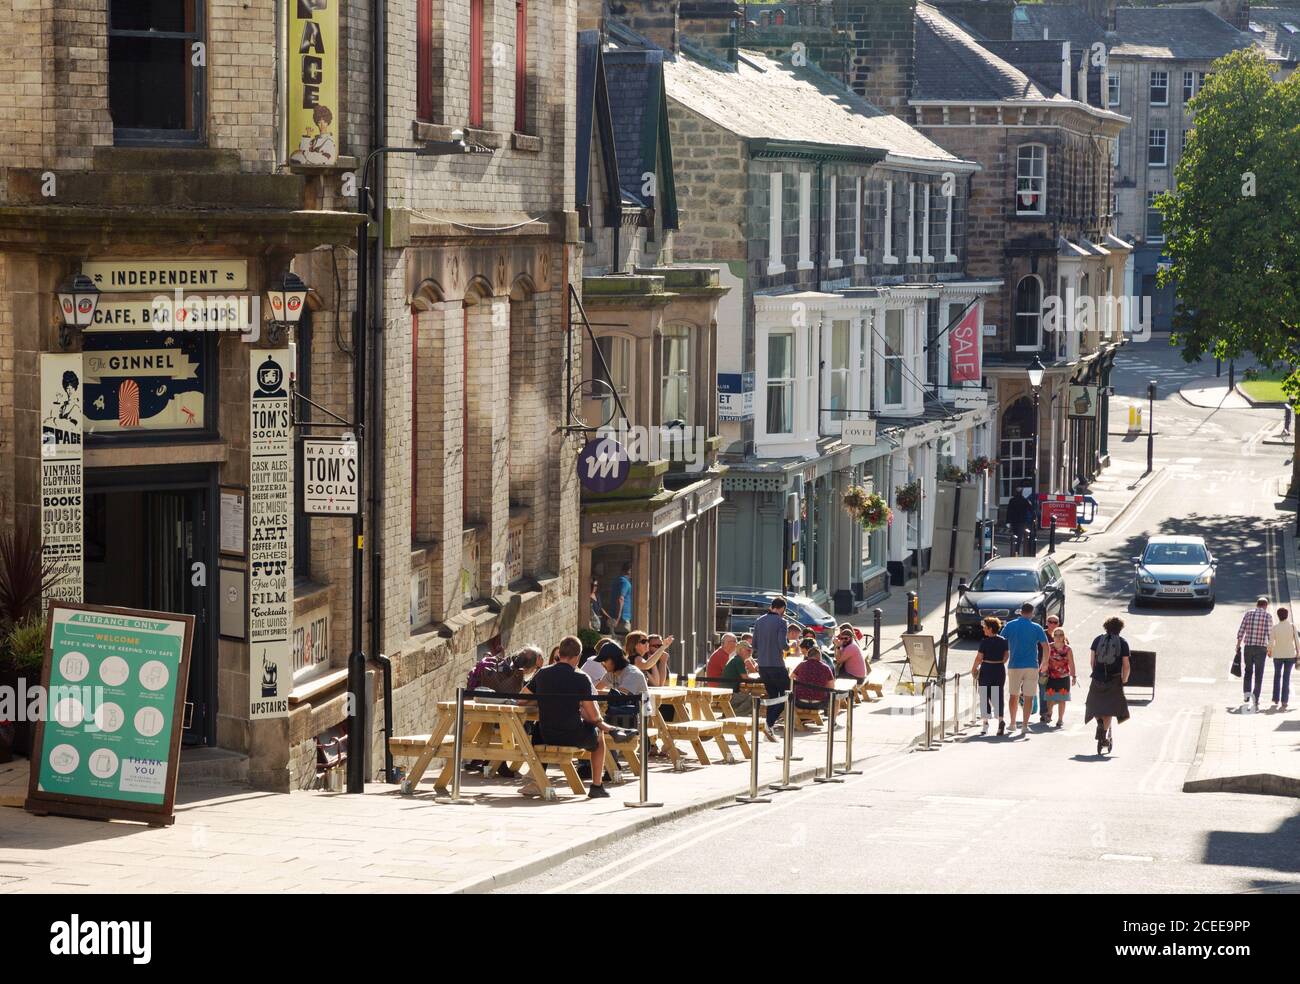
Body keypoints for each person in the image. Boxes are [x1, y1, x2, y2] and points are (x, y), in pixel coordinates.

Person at [521, 635, 632, 799]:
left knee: (537, 728)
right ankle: (596, 786)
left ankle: (539, 779)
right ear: (578, 656)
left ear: (560, 652)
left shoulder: (542, 673)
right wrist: (606, 727)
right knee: (599, 736)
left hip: (547, 733)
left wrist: (543, 701)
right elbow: (594, 717)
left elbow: (521, 699)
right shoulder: (581, 678)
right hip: (572, 734)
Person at [1001, 601, 1049, 737]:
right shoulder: (1037, 627)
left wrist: (1003, 659)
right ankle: (1025, 725)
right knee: (1029, 696)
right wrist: (1044, 662)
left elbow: (1002, 641)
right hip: (1031, 665)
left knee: (1013, 695)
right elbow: (1046, 646)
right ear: (1032, 613)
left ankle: (1012, 723)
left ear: (1020, 612)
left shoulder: (1010, 625)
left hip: (1014, 665)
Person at [1085, 616, 1130, 753]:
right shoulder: (1122, 643)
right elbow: (1126, 665)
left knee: (1095, 706)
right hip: (1114, 678)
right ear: (1120, 628)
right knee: (1109, 710)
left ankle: (1099, 722)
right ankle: (1104, 734)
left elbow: (1092, 662)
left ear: (1105, 626)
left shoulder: (1098, 640)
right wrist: (1124, 679)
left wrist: (1097, 674)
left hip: (1098, 678)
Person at [752, 596, 792, 740]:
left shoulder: (759, 621)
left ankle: (768, 729)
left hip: (763, 666)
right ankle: (768, 724)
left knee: (773, 697)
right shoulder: (782, 622)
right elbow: (783, 644)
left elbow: (754, 645)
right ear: (782, 609)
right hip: (776, 665)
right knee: (787, 695)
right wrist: (790, 645)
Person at [594, 641, 647, 729]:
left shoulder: (632, 673)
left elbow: (619, 696)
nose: (602, 664)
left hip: (639, 718)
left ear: (614, 660)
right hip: (623, 715)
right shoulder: (611, 673)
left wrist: (598, 693)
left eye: (604, 661)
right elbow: (595, 690)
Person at [970, 616, 1008, 735]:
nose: (984, 630)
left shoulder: (984, 642)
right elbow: (1006, 656)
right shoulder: (1003, 640)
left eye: (985, 628)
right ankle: (1000, 720)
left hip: (987, 668)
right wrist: (999, 662)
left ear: (990, 629)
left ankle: (985, 723)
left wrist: (974, 669)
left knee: (984, 694)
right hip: (999, 669)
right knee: (998, 694)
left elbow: (979, 658)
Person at [1237, 595, 1273, 713]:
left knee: (1248, 671)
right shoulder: (1267, 616)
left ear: (1257, 604)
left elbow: (1241, 629)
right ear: (1265, 606)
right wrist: (1270, 649)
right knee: (1259, 673)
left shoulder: (1248, 614)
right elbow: (1269, 634)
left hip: (1248, 647)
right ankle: (1256, 698)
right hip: (1261, 648)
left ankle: (1247, 695)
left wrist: (1238, 644)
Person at [1043, 628, 1077, 728]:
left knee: (1062, 699)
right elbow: (1044, 660)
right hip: (1051, 677)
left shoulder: (1067, 649)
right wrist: (1042, 672)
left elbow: (1071, 663)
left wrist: (1074, 676)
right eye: (1056, 635)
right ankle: (1049, 713)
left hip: (1064, 677)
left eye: (1061, 635)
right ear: (1053, 636)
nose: (1058, 637)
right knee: (1050, 697)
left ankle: (1060, 719)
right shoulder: (1049, 647)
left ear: (1064, 637)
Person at [791, 638, 834, 713]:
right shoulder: (826, 668)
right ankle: (833, 721)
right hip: (819, 703)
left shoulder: (802, 665)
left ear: (808, 656)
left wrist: (801, 678)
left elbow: (791, 677)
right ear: (819, 656)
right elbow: (831, 687)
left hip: (800, 702)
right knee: (836, 699)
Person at [1268, 606, 1297, 711]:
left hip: (1278, 655)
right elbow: (1297, 642)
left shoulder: (1275, 627)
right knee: (1286, 678)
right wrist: (1298, 653)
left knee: (1277, 676)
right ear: (1287, 615)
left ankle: (1275, 698)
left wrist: (1269, 651)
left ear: (1278, 616)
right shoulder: (1292, 627)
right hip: (1290, 655)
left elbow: (1271, 642)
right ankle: (1284, 700)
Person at [1039, 614, 1066, 723]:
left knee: (1056, 694)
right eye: (1050, 621)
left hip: (1058, 673)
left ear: (1058, 624)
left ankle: (1050, 711)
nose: (1052, 624)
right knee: (1042, 690)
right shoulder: (1041, 635)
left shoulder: (1062, 635)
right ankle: (1044, 713)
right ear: (1046, 622)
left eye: (1055, 622)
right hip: (1044, 670)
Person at [608, 563, 634, 635]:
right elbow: (620, 599)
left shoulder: (616, 581)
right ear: (629, 571)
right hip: (623, 619)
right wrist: (618, 618)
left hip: (615, 618)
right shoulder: (625, 582)